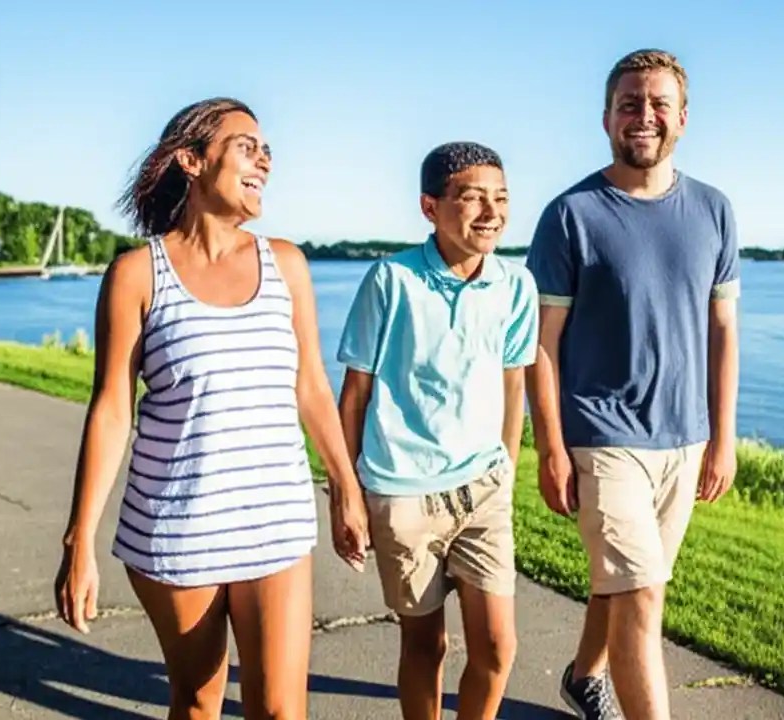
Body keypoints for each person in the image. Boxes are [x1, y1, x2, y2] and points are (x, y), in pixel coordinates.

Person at [53, 96, 367, 720]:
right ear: (192, 160)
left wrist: (344, 484)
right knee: (198, 702)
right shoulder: (138, 275)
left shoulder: (287, 264)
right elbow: (113, 409)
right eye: (247, 146)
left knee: (281, 711)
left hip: (275, 517)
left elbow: (310, 384)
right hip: (177, 526)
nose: (264, 162)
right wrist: (78, 540)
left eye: (267, 150)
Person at [524, 49, 742, 720]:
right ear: (606, 118)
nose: (642, 116)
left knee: (626, 587)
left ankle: (582, 674)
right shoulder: (571, 214)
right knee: (643, 593)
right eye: (629, 104)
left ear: (682, 116)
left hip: (683, 438)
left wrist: (722, 439)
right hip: (601, 435)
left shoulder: (714, 209)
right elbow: (540, 343)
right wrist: (552, 448)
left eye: (656, 103)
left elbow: (723, 331)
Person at [334, 141, 539, 720]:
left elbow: (513, 385)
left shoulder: (515, 286)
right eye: (472, 199)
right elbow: (355, 395)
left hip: (484, 491)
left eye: (500, 199)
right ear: (430, 207)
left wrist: (506, 469)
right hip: (403, 494)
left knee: (499, 647)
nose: (491, 213)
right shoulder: (390, 280)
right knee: (426, 645)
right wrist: (345, 494)